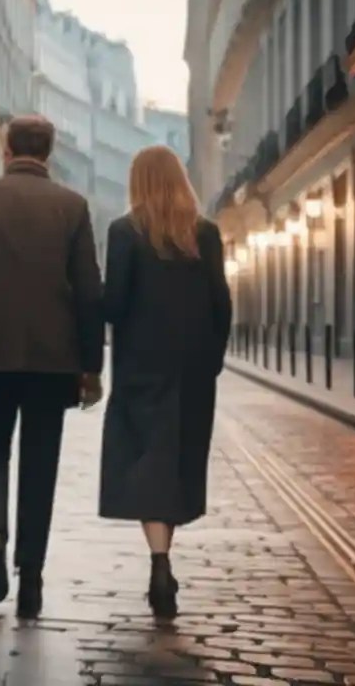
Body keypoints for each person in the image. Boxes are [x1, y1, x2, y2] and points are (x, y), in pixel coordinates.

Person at [0, 115, 104, 619]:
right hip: (53, 360)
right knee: (40, 465)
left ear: (6, 149)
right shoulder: (73, 206)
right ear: (49, 153)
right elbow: (89, 291)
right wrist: (91, 365)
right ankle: (30, 576)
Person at [98, 145, 232, 618]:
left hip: (140, 367)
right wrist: (212, 360)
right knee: (178, 462)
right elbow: (222, 303)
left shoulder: (124, 232)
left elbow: (112, 305)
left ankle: (159, 561)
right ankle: (162, 561)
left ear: (138, 181)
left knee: (146, 462)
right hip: (194, 371)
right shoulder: (206, 233)